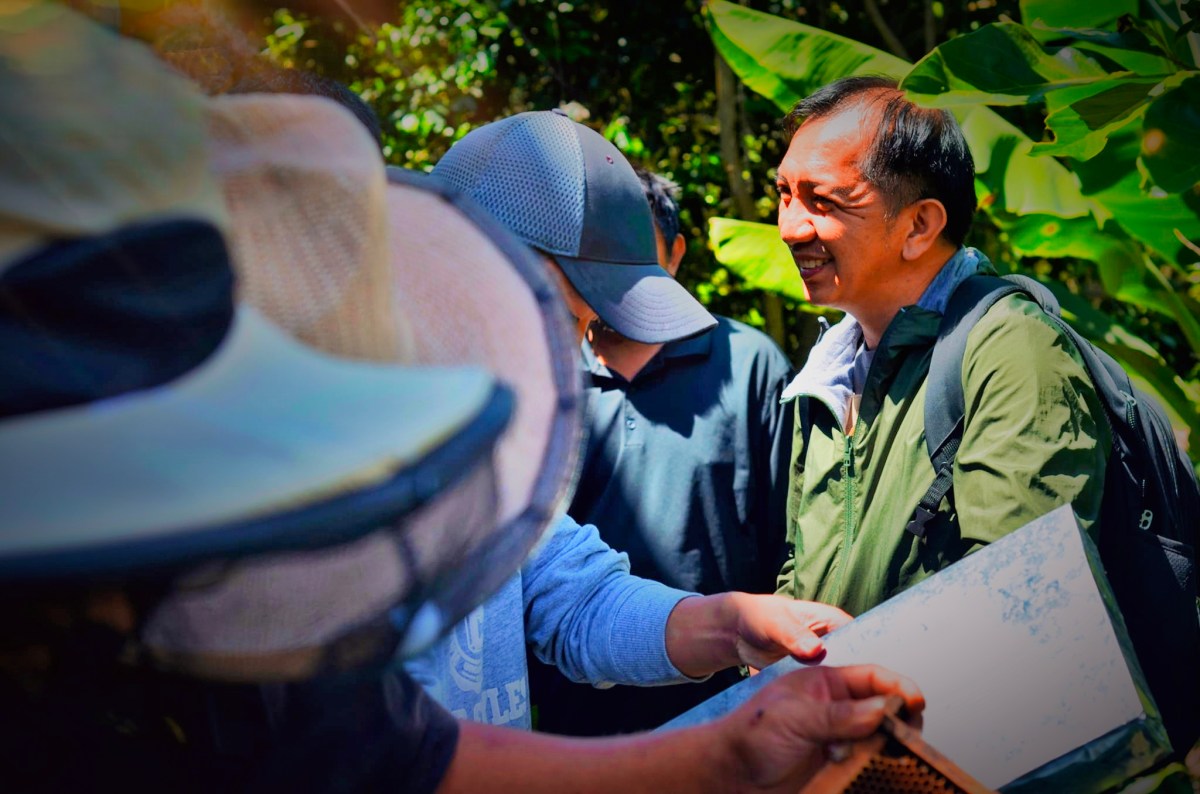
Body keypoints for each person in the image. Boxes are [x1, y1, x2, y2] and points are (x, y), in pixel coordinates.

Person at [772, 75, 1109, 616]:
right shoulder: (829, 375)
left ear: (919, 225)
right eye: (784, 194)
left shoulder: (1011, 348)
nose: (790, 227)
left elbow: (1022, 603)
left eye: (824, 201)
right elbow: (802, 567)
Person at [531, 167, 796, 735]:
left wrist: (750, 635)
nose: (613, 285)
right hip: (569, 727)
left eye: (634, 259)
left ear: (674, 256)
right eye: (596, 263)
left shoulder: (749, 366)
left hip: (728, 710)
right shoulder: (537, 375)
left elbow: (788, 541)